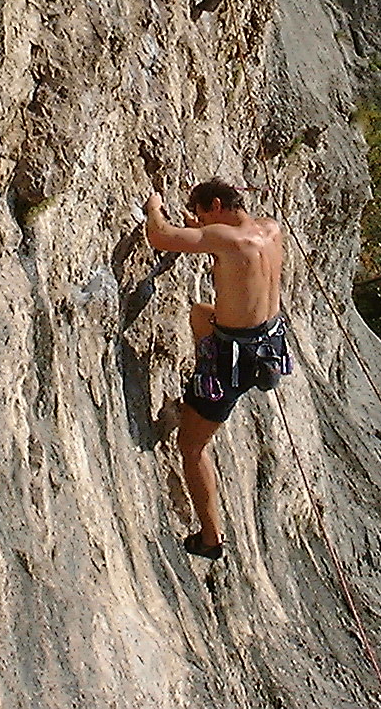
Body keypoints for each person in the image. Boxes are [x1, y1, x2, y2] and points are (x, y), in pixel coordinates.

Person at [144, 179, 289, 560]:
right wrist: (204, 232)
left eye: (204, 214)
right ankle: (201, 388)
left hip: (233, 359)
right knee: (199, 315)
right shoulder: (270, 228)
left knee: (191, 447)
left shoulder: (225, 239)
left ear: (217, 205)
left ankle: (210, 538)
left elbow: (159, 237)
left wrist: (154, 207)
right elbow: (235, 258)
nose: (202, 222)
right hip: (270, 340)